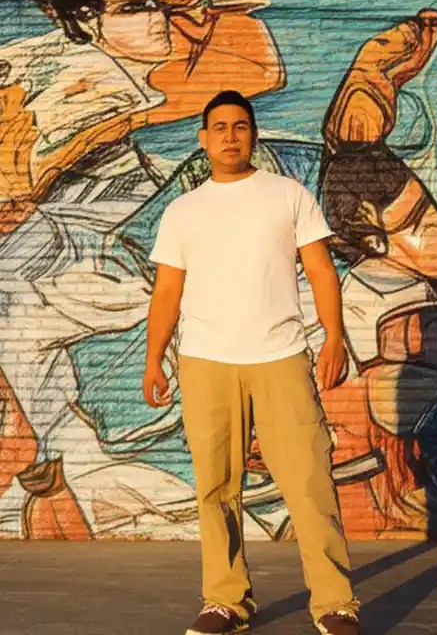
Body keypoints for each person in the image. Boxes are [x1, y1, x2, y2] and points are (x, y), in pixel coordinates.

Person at [143, 90, 360, 635]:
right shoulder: (183, 211)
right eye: (219, 127)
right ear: (203, 139)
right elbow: (167, 290)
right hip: (205, 361)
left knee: (309, 481)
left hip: (280, 356)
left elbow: (321, 270)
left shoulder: (287, 195)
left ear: (253, 135)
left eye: (240, 126)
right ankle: (226, 600)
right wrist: (154, 359)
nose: (230, 136)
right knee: (215, 486)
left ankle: (335, 603)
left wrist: (335, 336)